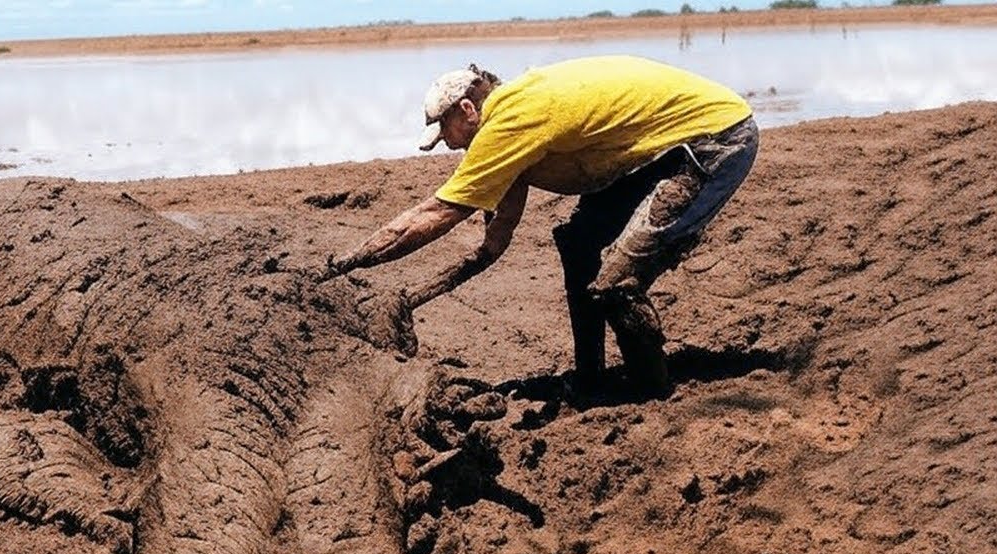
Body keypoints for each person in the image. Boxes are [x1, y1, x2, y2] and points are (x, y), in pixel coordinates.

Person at [323, 55, 759, 397]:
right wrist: (417, 298)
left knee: (617, 282)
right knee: (578, 243)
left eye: (446, 131)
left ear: (467, 108)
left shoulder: (510, 122)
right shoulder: (514, 115)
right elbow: (497, 237)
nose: (449, 144)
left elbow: (436, 214)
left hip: (714, 139)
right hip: (659, 147)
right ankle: (592, 380)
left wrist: (342, 265)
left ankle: (651, 391)